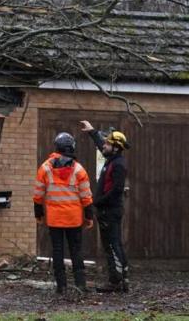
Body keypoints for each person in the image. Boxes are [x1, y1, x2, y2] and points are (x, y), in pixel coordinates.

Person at [33, 132, 94, 294]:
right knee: (76, 250)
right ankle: (81, 284)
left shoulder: (45, 167)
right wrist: (89, 217)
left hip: (54, 220)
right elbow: (86, 196)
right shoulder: (79, 169)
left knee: (57, 251)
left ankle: (61, 286)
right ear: (72, 147)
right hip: (73, 219)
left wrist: (38, 214)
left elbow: (38, 194)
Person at [80, 120, 131, 293]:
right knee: (113, 243)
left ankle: (116, 281)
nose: (105, 144)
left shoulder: (118, 165)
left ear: (116, 148)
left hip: (110, 210)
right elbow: (101, 145)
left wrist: (98, 201)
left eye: (109, 143)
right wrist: (92, 131)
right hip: (107, 210)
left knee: (112, 245)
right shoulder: (112, 159)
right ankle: (121, 278)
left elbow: (116, 190)